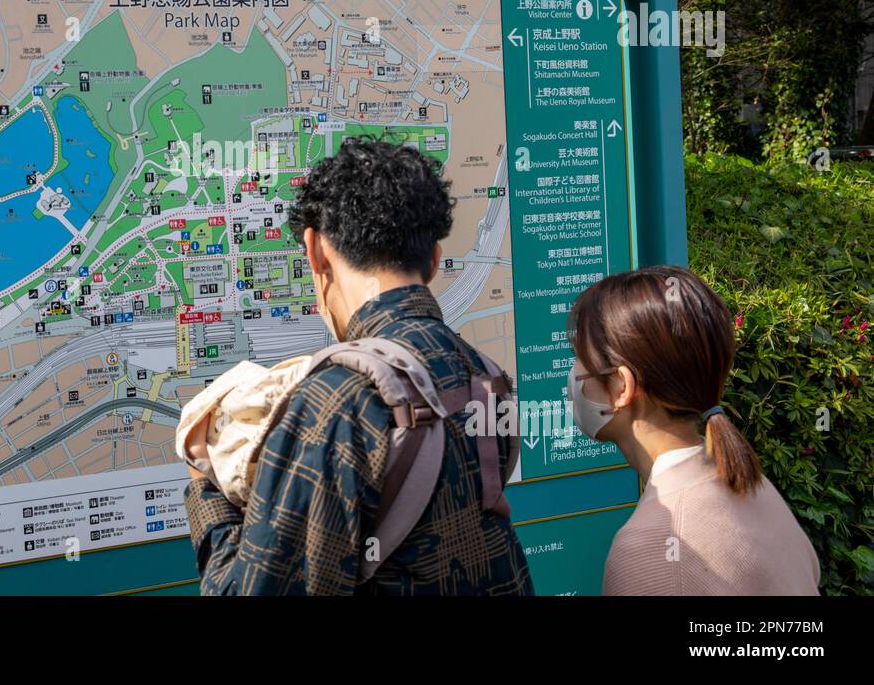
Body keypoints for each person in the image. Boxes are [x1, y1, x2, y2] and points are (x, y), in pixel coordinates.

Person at [180, 137, 532, 595]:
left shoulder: (336, 399)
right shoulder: (483, 374)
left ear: (316, 251)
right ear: (433, 259)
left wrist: (206, 486)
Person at [567, 265, 821, 594]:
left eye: (580, 358)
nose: (573, 374)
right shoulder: (753, 488)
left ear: (621, 387)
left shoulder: (647, 548)